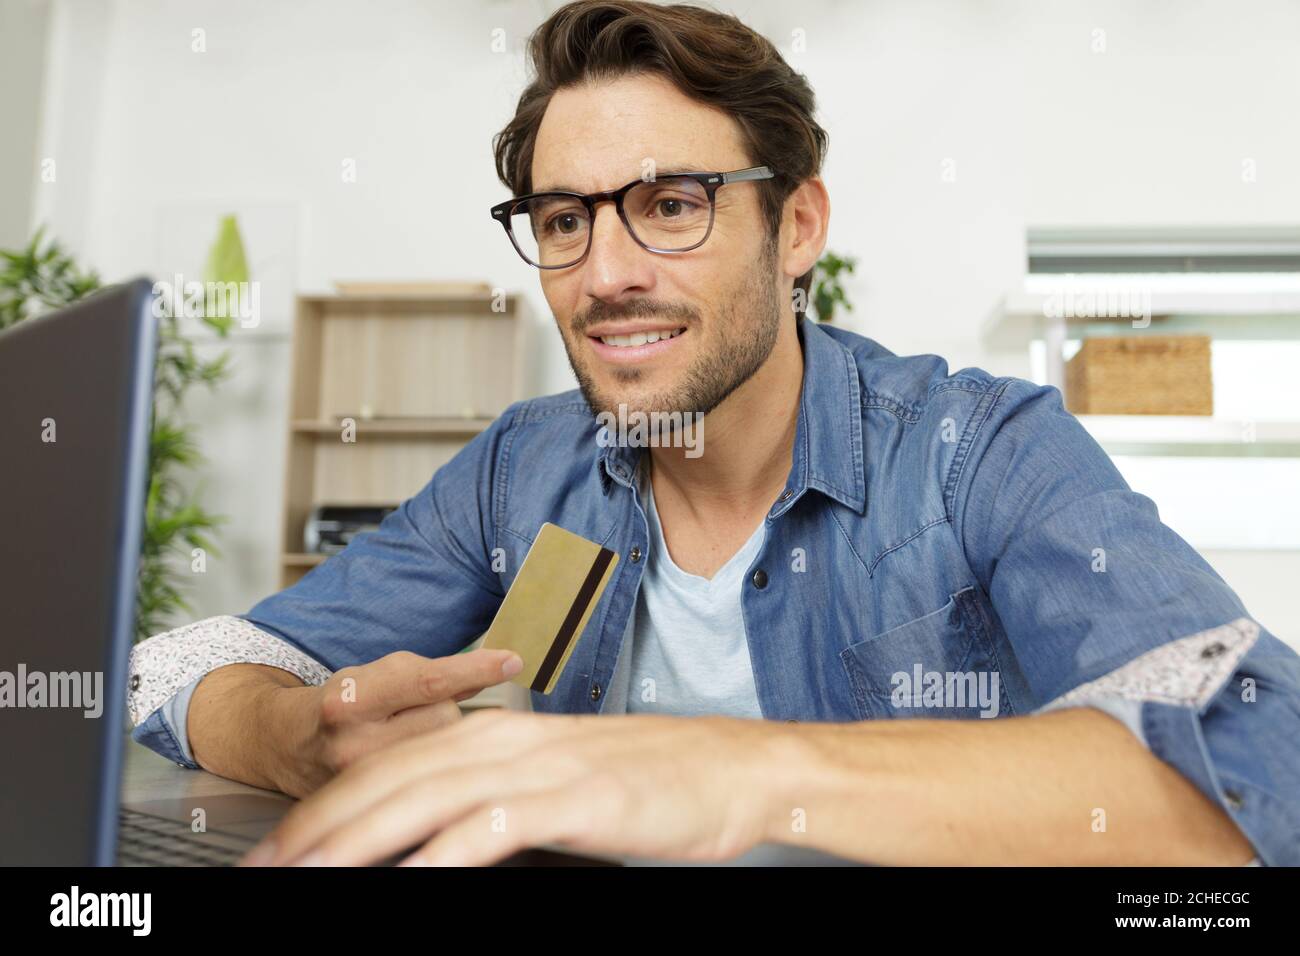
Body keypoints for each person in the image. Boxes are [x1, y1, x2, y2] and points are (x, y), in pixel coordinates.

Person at [128, 0, 1299, 867]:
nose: (607, 274)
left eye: (671, 206)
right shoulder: (520, 469)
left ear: (796, 227)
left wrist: (727, 766)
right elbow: (177, 666)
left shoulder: (977, 448)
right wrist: (298, 737)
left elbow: (1260, 762)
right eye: (563, 220)